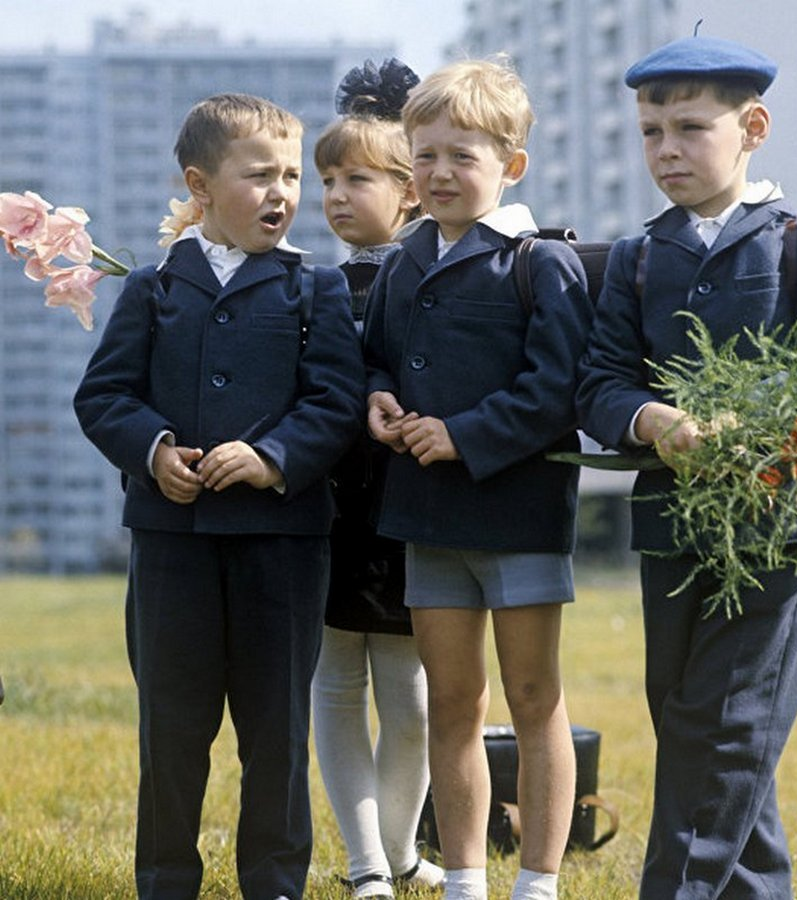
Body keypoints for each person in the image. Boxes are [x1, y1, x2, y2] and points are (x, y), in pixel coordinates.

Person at [575, 36, 797, 899]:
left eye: (687, 127)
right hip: (671, 527)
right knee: (688, 722)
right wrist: (650, 416)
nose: (664, 149)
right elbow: (598, 382)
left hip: (774, 528)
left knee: (726, 728)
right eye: (649, 131)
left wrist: (746, 418)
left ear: (752, 127)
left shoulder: (796, 241)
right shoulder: (638, 258)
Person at [73, 92, 366, 900]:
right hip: (172, 545)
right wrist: (155, 450)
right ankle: (165, 880)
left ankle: (274, 882)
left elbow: (335, 403)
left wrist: (274, 457)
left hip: (284, 545)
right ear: (199, 187)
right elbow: (103, 397)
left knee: (276, 731)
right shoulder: (150, 288)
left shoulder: (317, 291)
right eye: (258, 175)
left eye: (288, 175)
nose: (282, 192)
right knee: (172, 726)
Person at [362, 58, 594, 900]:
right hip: (427, 516)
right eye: (423, 156)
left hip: (518, 511)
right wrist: (377, 397)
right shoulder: (401, 261)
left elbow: (556, 387)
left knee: (533, 699)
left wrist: (463, 435)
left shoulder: (541, 262)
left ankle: (536, 883)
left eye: (462, 155)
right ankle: (463, 880)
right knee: (451, 702)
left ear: (511, 165)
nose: (439, 173)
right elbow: (376, 357)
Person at [309, 59, 444, 900]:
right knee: (334, 683)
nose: (335, 195)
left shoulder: (435, 278)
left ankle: (394, 854)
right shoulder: (303, 283)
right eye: (327, 178)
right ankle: (368, 866)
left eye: (357, 178)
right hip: (322, 513)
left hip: (411, 510)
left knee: (414, 698)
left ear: (410, 190)